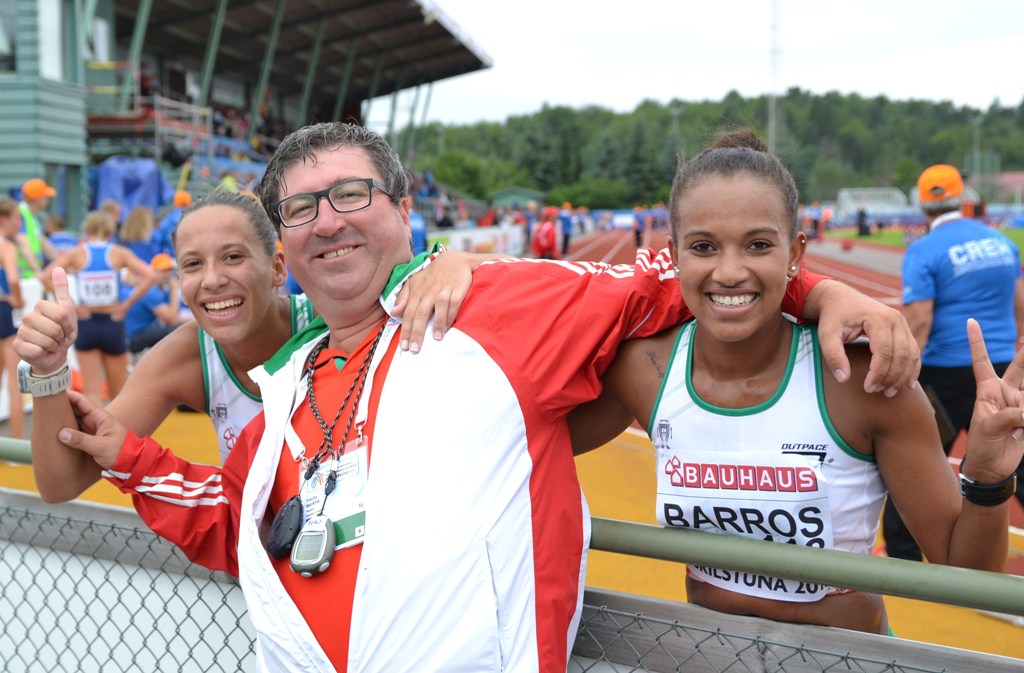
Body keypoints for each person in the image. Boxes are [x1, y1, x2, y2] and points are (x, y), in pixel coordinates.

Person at [49, 123, 917, 673]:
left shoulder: (497, 304)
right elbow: (236, 522)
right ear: (285, 247)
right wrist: (125, 455)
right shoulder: (287, 384)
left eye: (352, 194)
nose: (330, 219)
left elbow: (688, 272)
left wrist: (827, 295)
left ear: (402, 209)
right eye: (302, 207)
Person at [567, 131, 1021, 636]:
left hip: (846, 661)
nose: (731, 270)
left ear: (796, 253)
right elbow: (534, 441)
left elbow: (967, 573)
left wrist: (985, 476)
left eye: (758, 244)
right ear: (675, 254)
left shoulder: (862, 380)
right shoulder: (645, 369)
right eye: (703, 246)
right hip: (705, 656)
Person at [16, 189, 475, 493]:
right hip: (263, 593)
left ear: (277, 268)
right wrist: (49, 370)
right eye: (192, 265)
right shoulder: (185, 355)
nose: (212, 280)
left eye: (233, 257)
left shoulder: (336, 323)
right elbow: (62, 484)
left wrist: (463, 264)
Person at [881, 163, 1024, 561]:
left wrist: (903, 372)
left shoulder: (925, 249)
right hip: (998, 365)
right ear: (963, 197)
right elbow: (1020, 303)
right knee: (1014, 456)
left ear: (922, 203)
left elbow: (920, 319)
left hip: (944, 373)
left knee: (913, 460)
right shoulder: (1000, 242)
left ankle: (902, 556)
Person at [41, 210, 155, 403]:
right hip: (112, 321)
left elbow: (45, 276)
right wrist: (126, 304)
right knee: (118, 395)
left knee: (92, 394)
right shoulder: (119, 253)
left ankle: (93, 433)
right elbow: (150, 275)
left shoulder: (77, 253)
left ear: (86, 230)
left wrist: (74, 306)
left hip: (87, 322)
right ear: (110, 231)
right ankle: (116, 433)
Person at [123, 252, 190, 354]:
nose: (167, 275)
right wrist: (175, 290)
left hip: (143, 332)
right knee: (178, 330)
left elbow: (174, 314)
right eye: (163, 271)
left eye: (169, 270)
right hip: (133, 338)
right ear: (153, 271)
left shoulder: (161, 289)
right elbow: (171, 319)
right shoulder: (150, 290)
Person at [0, 197, 25, 437]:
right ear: (4, 219)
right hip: (3, 311)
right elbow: (14, 279)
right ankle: (15, 445)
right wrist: (18, 300)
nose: (19, 224)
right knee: (14, 382)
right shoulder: (6, 246)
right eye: (17, 218)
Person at [16, 178, 59, 279]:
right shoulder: (20, 214)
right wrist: (37, 271)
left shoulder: (31, 216)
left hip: (30, 275)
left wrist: (63, 263)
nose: (47, 201)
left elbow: (43, 243)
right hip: (24, 277)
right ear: (37, 198)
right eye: (45, 197)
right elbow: (23, 244)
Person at [153, 190, 191, 258]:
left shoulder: (170, 217)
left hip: (171, 256)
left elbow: (159, 237)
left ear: (175, 202)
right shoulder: (192, 216)